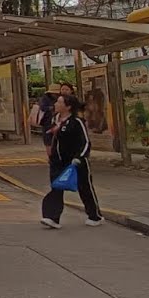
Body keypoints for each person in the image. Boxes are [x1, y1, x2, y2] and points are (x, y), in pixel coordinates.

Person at [41, 94, 102, 229]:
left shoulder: (76, 121)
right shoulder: (54, 119)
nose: (56, 104)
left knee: (84, 188)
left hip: (76, 161)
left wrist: (80, 157)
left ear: (68, 107)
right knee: (56, 187)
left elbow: (85, 142)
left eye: (59, 102)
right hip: (57, 161)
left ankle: (95, 215)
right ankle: (52, 218)